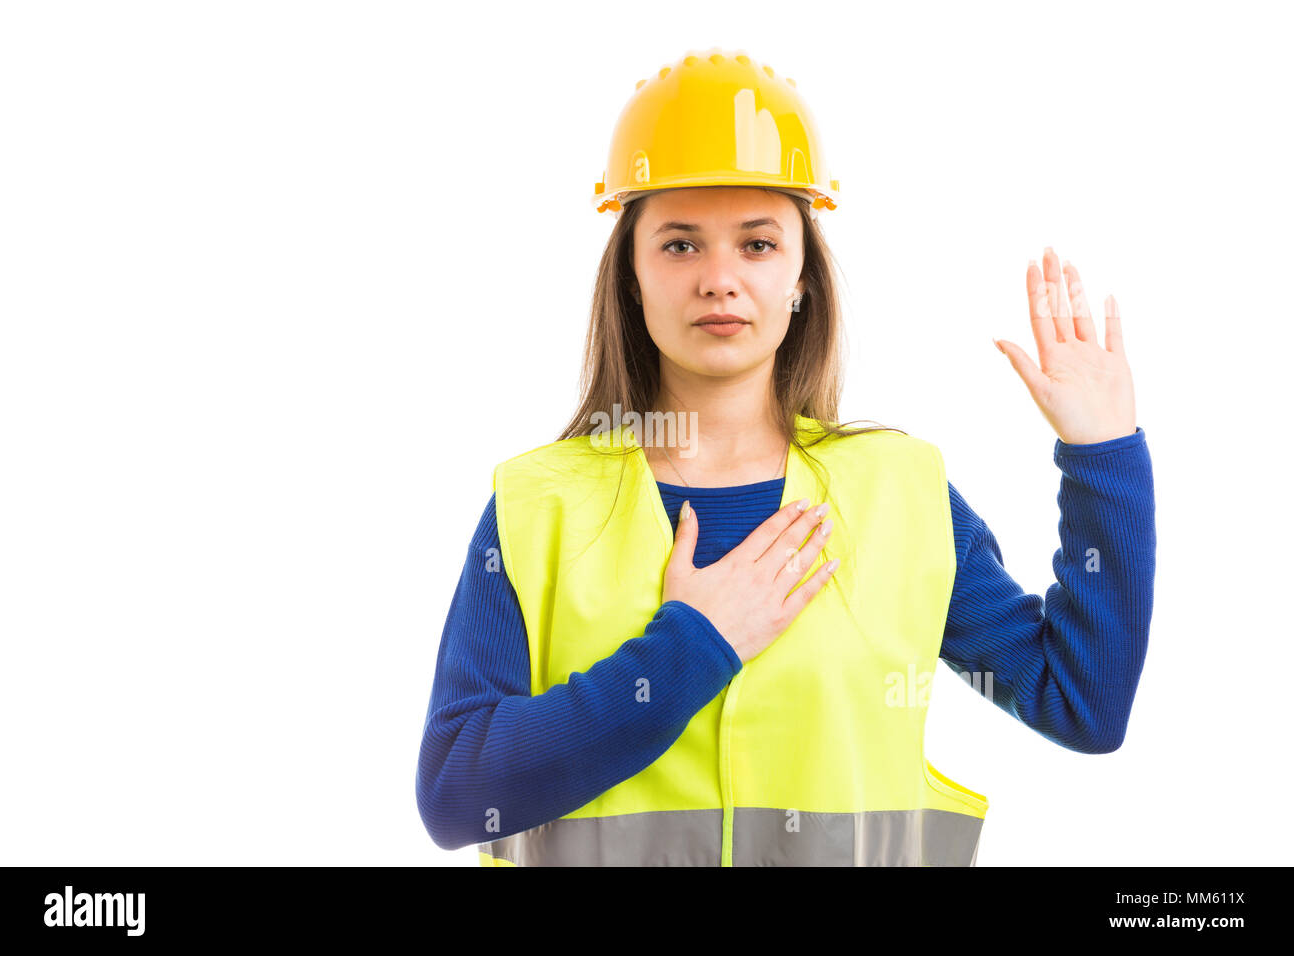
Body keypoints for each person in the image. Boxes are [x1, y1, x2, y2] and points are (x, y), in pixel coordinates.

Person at [414, 48, 1155, 866]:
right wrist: (696, 643)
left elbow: (1083, 705)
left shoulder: (899, 495)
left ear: (803, 274)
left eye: (758, 244)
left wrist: (1103, 455)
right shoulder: (537, 508)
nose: (720, 280)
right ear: (630, 274)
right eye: (680, 245)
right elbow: (457, 794)